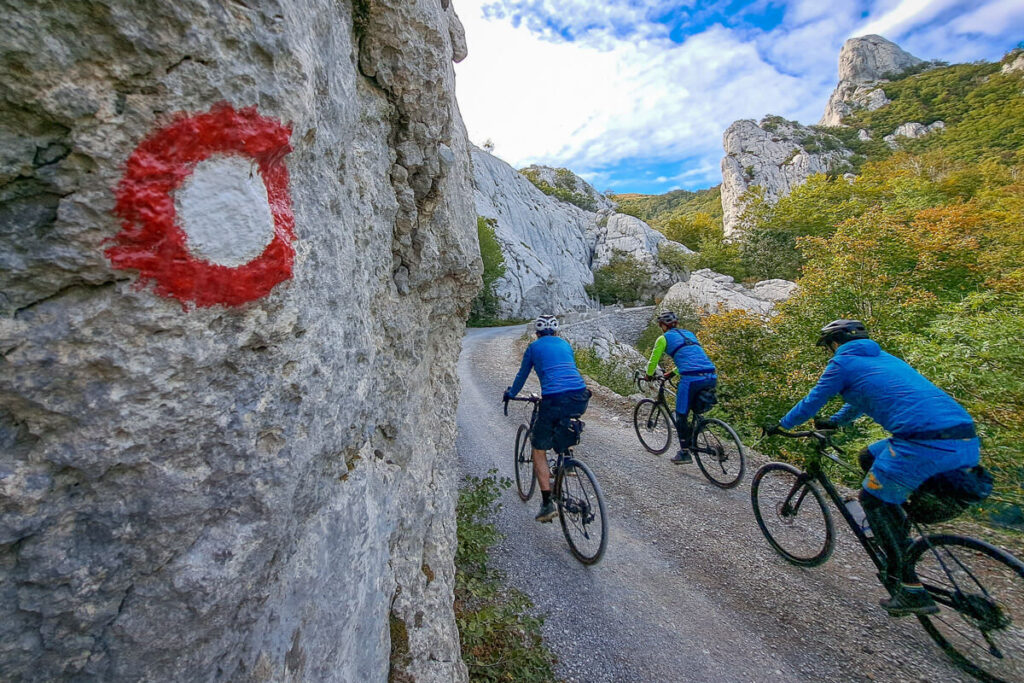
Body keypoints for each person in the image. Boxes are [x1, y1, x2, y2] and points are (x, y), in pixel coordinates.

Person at [764, 319, 980, 616]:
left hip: (921, 443)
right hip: (963, 437)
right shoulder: (885, 358)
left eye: (828, 347)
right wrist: (837, 420)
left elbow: (812, 402)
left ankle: (910, 587)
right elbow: (861, 400)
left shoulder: (842, 363)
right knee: (868, 456)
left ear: (834, 344)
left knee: (871, 500)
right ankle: (895, 526)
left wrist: (781, 425)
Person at [504, 314, 591, 523]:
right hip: (581, 395)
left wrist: (511, 393)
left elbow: (522, 375)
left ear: (537, 333)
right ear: (556, 332)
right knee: (564, 421)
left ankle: (546, 504)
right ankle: (568, 462)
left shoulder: (534, 347)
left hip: (554, 397)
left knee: (538, 448)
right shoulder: (565, 344)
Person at [645, 311, 717, 464]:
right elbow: (693, 357)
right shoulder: (689, 334)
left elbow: (653, 361)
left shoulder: (663, 338)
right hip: (711, 374)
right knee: (695, 407)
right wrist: (672, 372)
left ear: (663, 326)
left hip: (691, 379)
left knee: (681, 414)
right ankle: (698, 426)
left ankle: (685, 452)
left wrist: (649, 375)